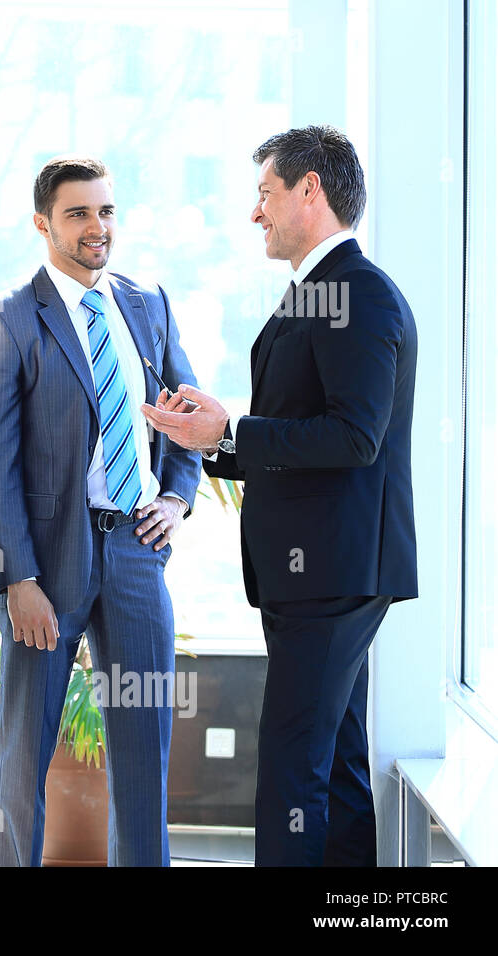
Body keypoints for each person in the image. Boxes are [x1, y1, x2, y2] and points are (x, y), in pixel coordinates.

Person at [142, 125, 417, 867]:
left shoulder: (358, 295)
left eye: (264, 194)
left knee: (294, 772)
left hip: (332, 574)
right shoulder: (325, 293)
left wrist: (235, 430)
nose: (253, 214)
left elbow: (354, 438)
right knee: (334, 765)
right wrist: (217, 438)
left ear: (310, 191)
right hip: (322, 572)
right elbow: (303, 432)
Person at [0, 156, 201, 867]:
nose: (97, 227)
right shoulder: (5, 318)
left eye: (105, 211)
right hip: (47, 561)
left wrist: (176, 497)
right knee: (24, 755)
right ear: (43, 223)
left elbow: (188, 414)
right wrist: (17, 578)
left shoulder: (147, 301)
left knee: (142, 751)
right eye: (78, 214)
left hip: (135, 552)